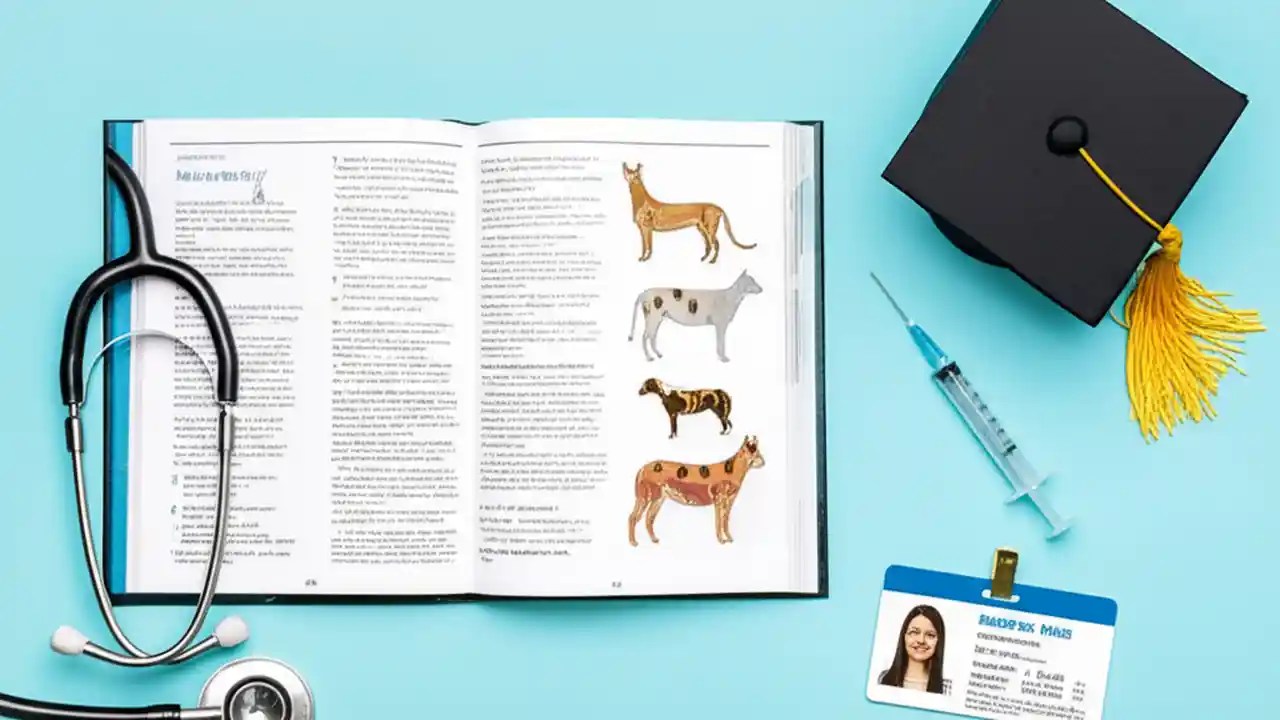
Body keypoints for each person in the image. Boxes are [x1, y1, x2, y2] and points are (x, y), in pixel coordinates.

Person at [878, 604, 948, 694]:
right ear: (904, 636)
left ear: (939, 640)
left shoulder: (946, 688)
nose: (921, 640)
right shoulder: (882, 679)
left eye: (930, 635)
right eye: (914, 632)